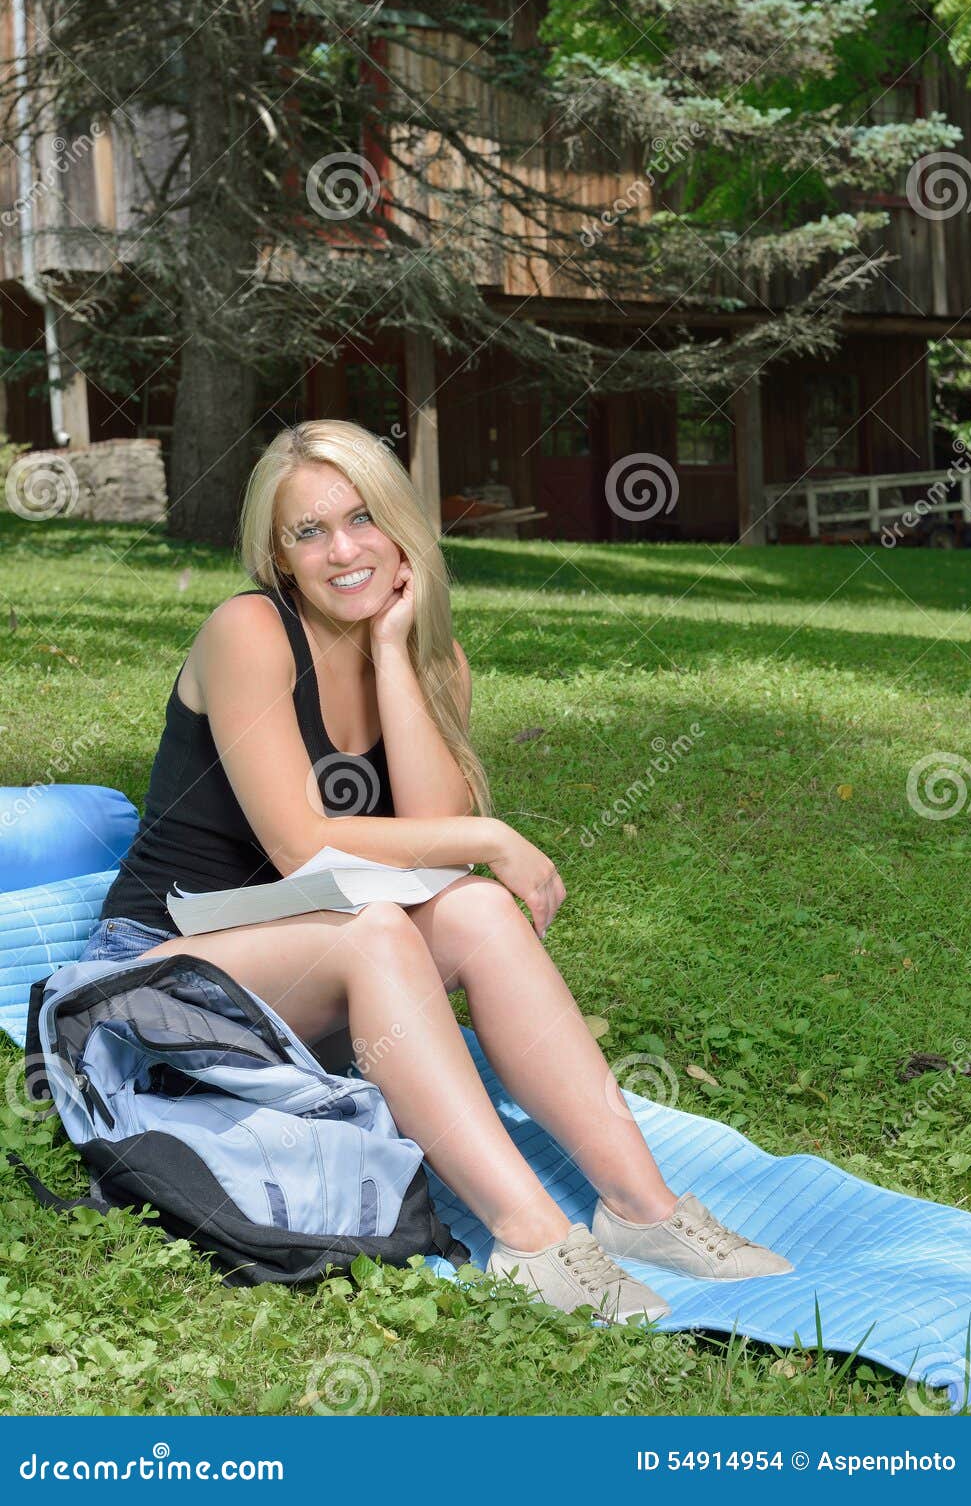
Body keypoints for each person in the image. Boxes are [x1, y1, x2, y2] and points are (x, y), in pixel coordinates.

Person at [81, 419, 792, 1324]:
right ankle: (531, 1237)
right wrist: (494, 834)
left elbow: (434, 841)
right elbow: (305, 847)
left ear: (404, 530)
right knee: (385, 926)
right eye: (311, 531)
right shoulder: (247, 632)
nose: (344, 550)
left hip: (308, 973)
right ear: (278, 554)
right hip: (159, 974)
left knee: (481, 913)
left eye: (365, 518)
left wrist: (391, 656)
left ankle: (641, 1210)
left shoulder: (428, 658)